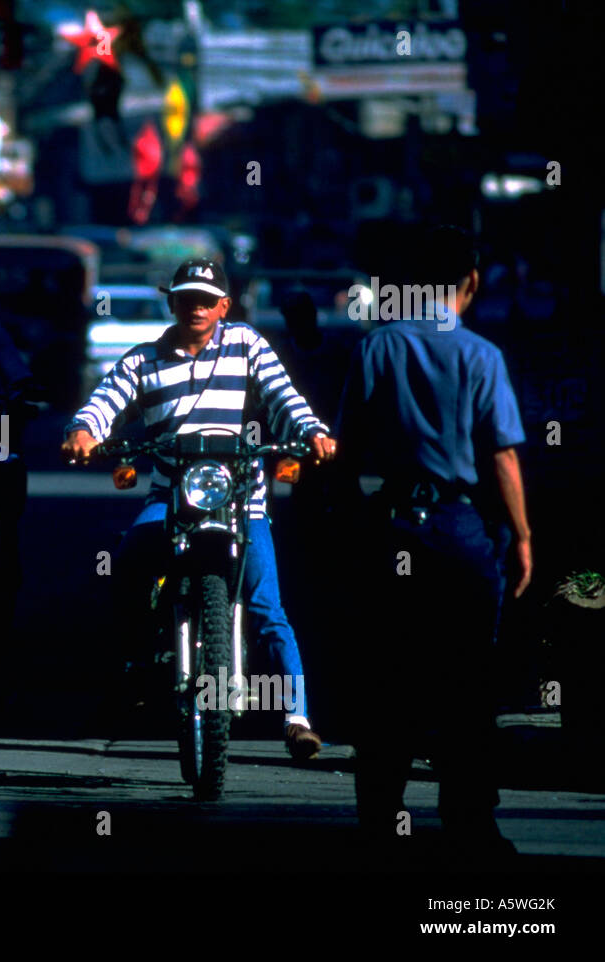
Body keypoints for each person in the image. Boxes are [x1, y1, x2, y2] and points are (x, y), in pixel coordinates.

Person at [61, 258, 336, 760]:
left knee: (266, 607)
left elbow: (284, 399)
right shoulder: (143, 359)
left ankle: (297, 716)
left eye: (207, 300)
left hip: (242, 497)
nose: (196, 308)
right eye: (187, 298)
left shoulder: (248, 345)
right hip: (168, 495)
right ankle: (136, 665)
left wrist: (311, 433)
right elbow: (103, 402)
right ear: (172, 302)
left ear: (224, 306)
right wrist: (83, 431)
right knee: (127, 564)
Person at [333, 224, 531, 857]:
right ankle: (471, 820)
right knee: (469, 683)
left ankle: (381, 816)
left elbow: (345, 454)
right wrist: (522, 537)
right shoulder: (481, 355)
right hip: (458, 532)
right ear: (470, 284)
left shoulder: (376, 347)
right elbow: (502, 457)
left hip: (391, 529)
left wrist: (355, 520)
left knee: (388, 677)